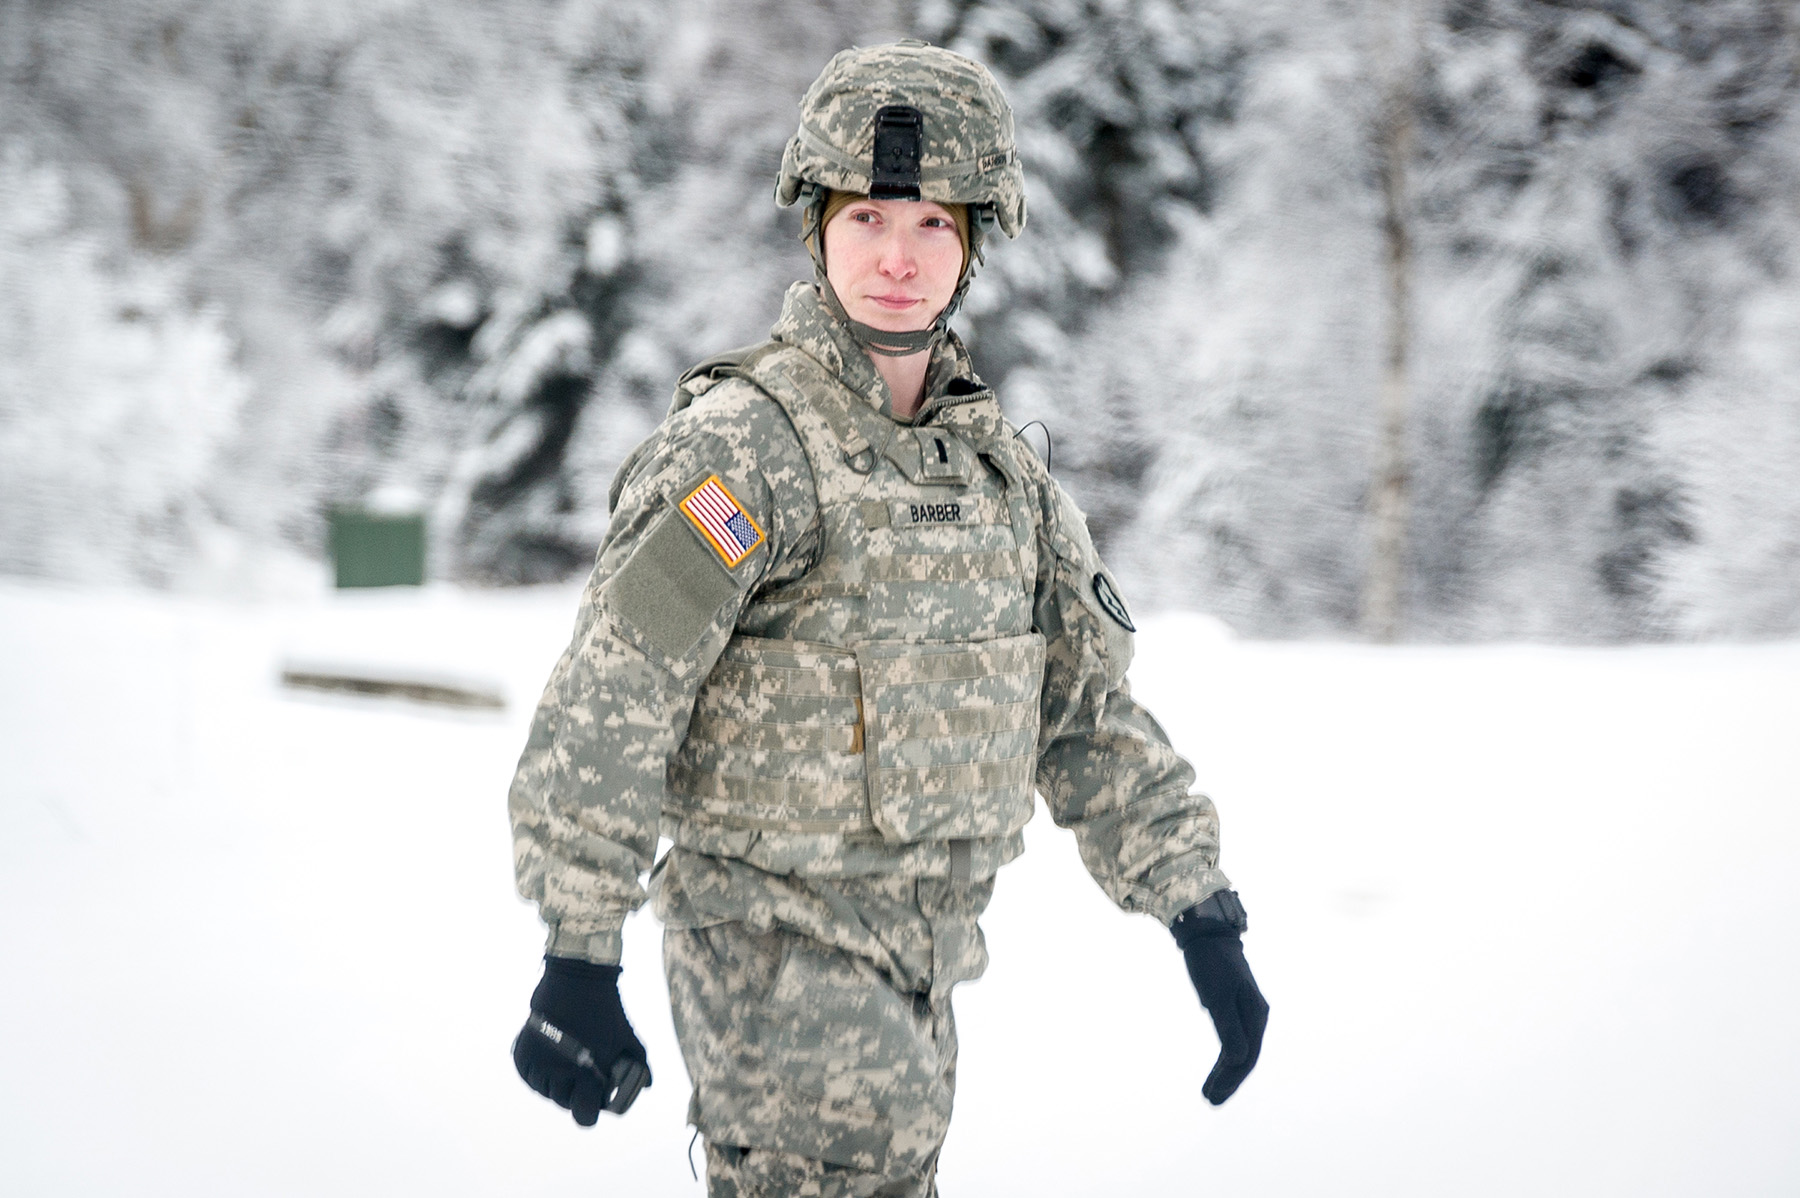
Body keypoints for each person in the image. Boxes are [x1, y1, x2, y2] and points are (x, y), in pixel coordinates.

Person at [507, 39, 1268, 1197]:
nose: (897, 259)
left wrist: (1198, 906)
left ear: (974, 242)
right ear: (816, 227)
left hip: (923, 965)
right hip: (771, 960)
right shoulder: (747, 448)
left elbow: (1084, 715)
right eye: (867, 219)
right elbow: (616, 692)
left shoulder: (996, 473)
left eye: (931, 226)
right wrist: (578, 944)